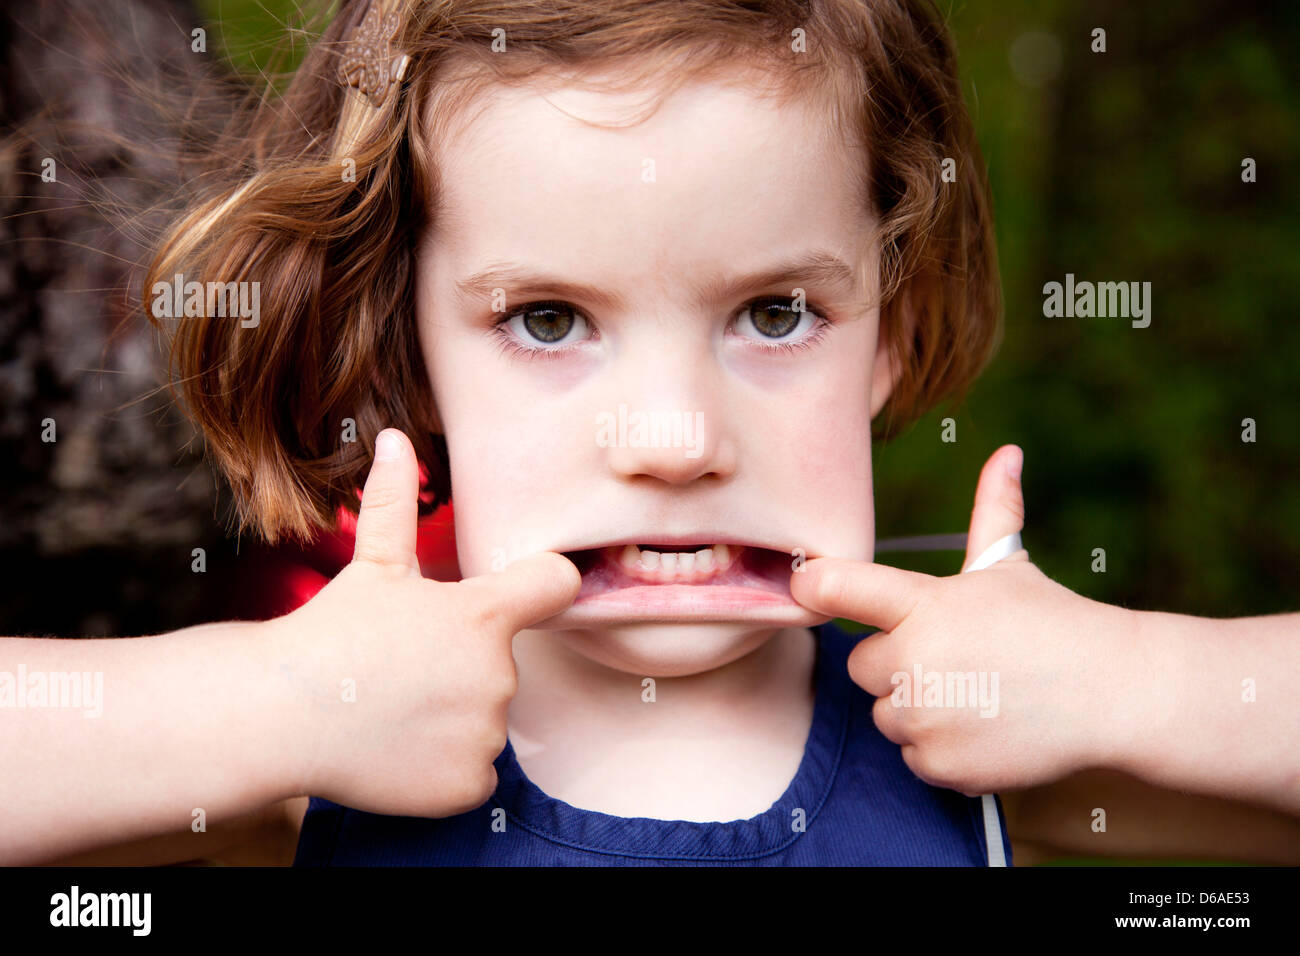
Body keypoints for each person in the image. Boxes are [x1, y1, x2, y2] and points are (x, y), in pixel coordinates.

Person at [2, 0, 1296, 866]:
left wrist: (1146, 684)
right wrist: (270, 705)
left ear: (892, 325)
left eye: (776, 312)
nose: (676, 441)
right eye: (550, 320)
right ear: (408, 356)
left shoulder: (979, 746)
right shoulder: (323, 755)